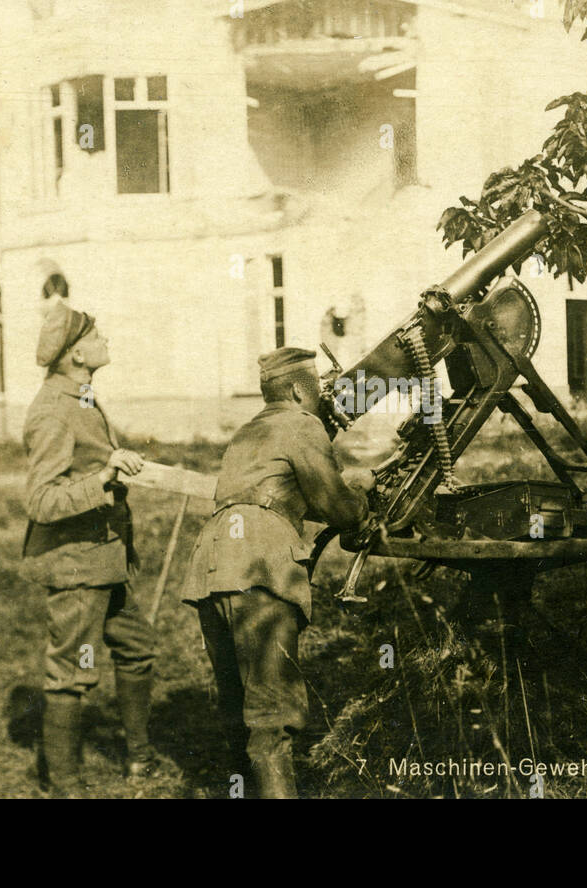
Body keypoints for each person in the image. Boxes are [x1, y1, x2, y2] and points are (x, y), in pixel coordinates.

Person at [181, 347, 370, 798]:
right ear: (297, 390)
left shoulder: (248, 431)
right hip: (259, 566)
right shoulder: (303, 424)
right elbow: (337, 507)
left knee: (238, 707)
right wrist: (362, 495)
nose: (323, 397)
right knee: (272, 715)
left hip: (211, 565)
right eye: (318, 389)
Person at [22, 300, 158, 796]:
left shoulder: (82, 397)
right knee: (70, 676)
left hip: (106, 557)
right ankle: (66, 786)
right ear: (77, 354)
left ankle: (139, 761)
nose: (107, 341)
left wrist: (112, 468)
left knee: (137, 649)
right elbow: (39, 499)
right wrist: (103, 478)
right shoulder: (53, 410)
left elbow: (91, 462)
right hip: (76, 564)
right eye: (98, 336)